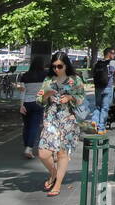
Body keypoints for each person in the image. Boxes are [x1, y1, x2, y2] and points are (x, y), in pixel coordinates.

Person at [37, 52, 87, 196]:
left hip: (68, 119)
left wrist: (70, 97)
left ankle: (57, 184)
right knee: (43, 153)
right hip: (51, 119)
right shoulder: (48, 80)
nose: (56, 69)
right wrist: (46, 95)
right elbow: (38, 100)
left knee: (62, 153)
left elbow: (81, 97)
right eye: (54, 66)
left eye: (59, 66)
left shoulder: (75, 80)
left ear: (66, 65)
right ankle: (54, 173)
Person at [18, 55, 48, 159]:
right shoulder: (45, 75)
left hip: (26, 103)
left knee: (26, 126)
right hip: (38, 103)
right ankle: (29, 147)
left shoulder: (25, 76)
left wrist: (21, 105)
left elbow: (22, 92)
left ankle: (26, 145)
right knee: (34, 126)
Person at [91, 47, 115, 133]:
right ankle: (101, 128)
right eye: (113, 53)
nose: (114, 55)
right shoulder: (113, 63)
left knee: (98, 106)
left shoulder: (97, 63)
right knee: (105, 108)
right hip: (108, 87)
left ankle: (94, 121)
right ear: (109, 53)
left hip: (98, 87)